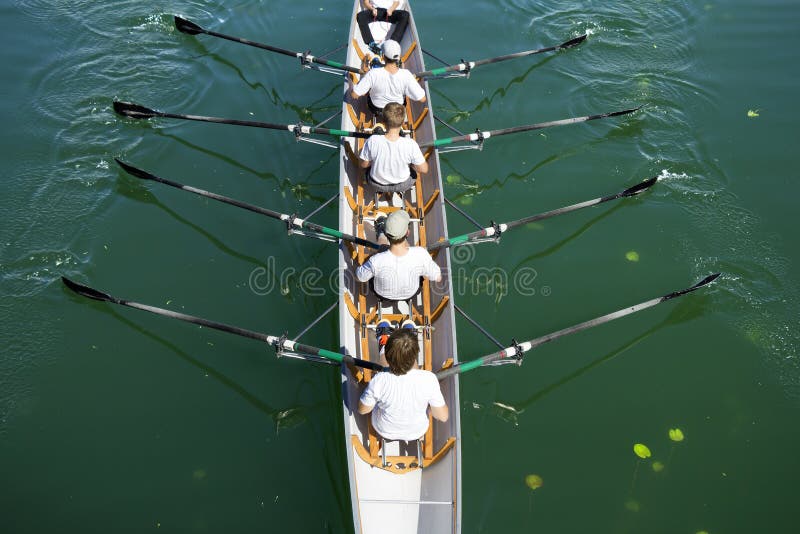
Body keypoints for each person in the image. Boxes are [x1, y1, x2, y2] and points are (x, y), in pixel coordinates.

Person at [358, 328, 449, 442]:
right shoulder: (429, 379)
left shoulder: (379, 380)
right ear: (415, 354)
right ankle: (407, 339)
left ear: (388, 356)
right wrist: (429, 408)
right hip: (417, 432)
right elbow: (443, 417)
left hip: (384, 430)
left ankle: (383, 340)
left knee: (382, 370)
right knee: (431, 405)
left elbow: (363, 410)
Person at [356, 209, 441, 301]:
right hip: (411, 294)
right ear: (407, 233)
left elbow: (360, 278)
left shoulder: (376, 260)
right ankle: (391, 232)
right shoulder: (421, 254)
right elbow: (438, 278)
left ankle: (381, 232)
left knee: (383, 247)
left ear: (387, 234)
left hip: (382, 295)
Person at [358, 102, 428, 193]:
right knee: (414, 169)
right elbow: (424, 169)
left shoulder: (372, 140)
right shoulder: (411, 144)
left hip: (376, 184)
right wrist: (412, 164)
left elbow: (363, 164)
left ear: (383, 121)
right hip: (403, 185)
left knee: (363, 160)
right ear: (402, 122)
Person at [350, 40, 426, 119]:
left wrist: (357, 83)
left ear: (383, 56)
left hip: (376, 110)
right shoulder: (406, 75)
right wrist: (410, 84)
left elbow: (354, 95)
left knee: (369, 90)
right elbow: (422, 99)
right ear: (398, 57)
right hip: (397, 112)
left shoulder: (372, 73)